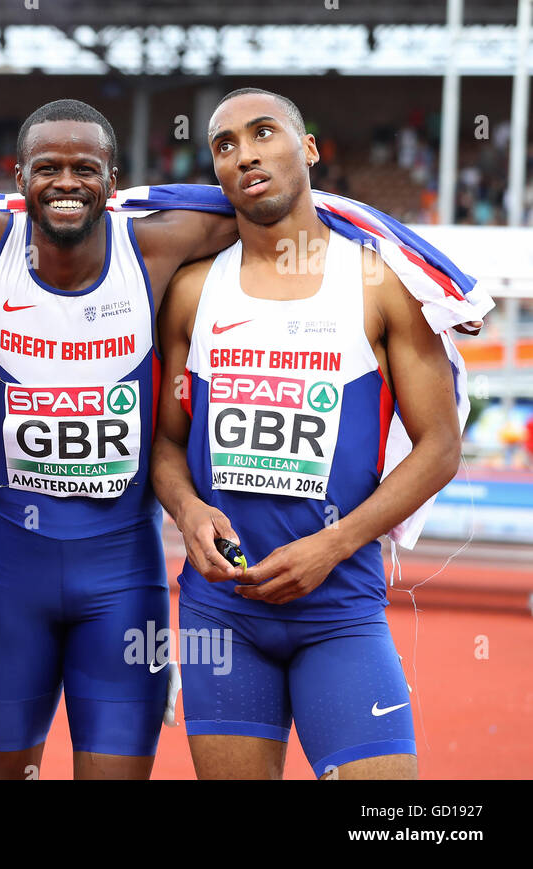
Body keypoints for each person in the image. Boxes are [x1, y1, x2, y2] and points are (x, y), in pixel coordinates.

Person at [0, 99, 237, 779]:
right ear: (20, 180)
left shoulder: (155, 246)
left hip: (122, 579)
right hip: (7, 577)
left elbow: (273, 210)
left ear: (112, 183)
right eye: (48, 167)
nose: (66, 181)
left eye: (84, 167)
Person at [151, 88, 462, 779]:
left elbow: (440, 445)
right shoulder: (195, 292)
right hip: (222, 610)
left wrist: (334, 543)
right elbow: (166, 443)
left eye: (263, 132)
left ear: (311, 149)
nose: (245, 153)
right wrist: (189, 507)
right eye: (225, 145)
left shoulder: (380, 284)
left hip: (340, 606)